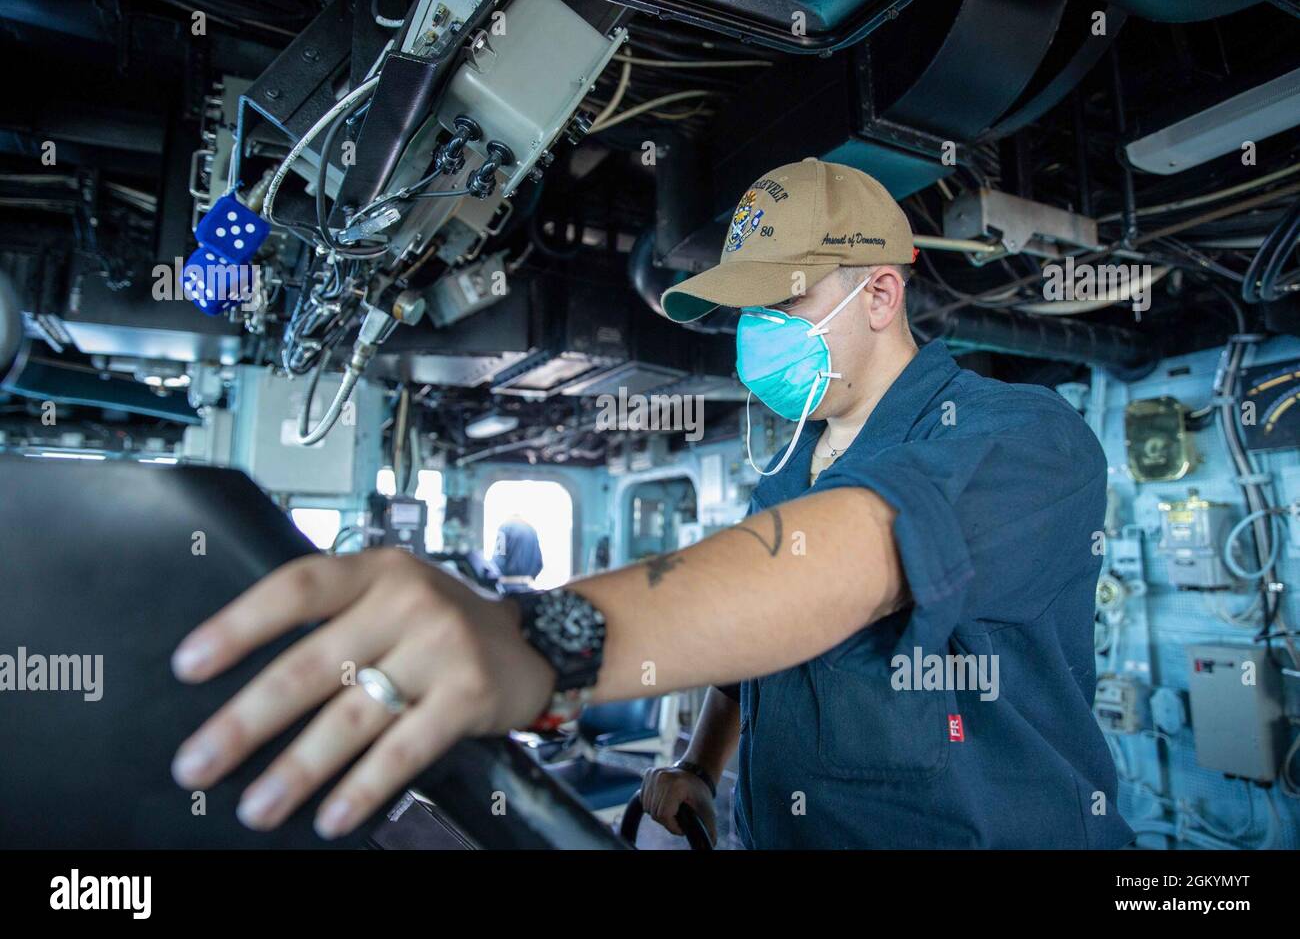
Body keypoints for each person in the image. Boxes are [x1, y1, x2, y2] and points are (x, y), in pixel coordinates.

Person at [168, 159, 1132, 849]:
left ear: (881, 294)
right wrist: (703, 767)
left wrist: (543, 641)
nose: (753, 339)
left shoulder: (1026, 440)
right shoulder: (790, 472)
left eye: (779, 307)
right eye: (744, 316)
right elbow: (768, 641)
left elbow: (850, 557)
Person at [491, 516, 544, 594]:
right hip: (527, 589)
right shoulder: (531, 530)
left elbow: (498, 561)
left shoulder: (505, 528)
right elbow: (539, 563)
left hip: (507, 590)